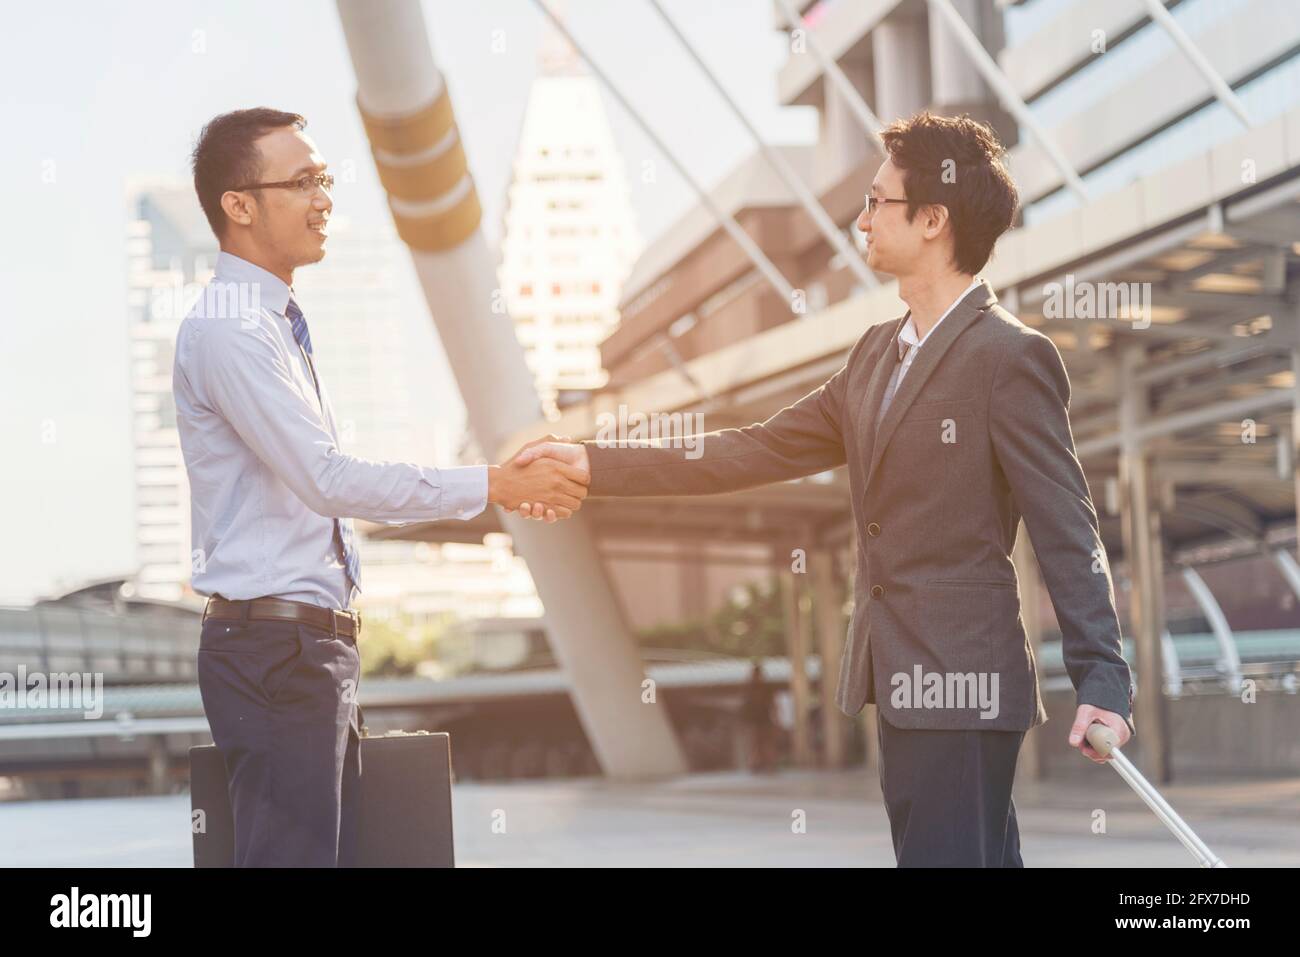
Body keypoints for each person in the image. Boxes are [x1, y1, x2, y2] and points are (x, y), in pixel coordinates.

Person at [515, 111, 1136, 867]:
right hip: (898, 681)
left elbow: (1066, 523)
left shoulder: (1011, 357)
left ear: (934, 219)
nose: (861, 219)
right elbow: (752, 448)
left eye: (879, 202)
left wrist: (1102, 676)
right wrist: (594, 462)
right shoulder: (876, 355)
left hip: (966, 683)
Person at [175, 108, 588, 866]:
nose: (324, 197)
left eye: (324, 178)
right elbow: (328, 478)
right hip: (275, 648)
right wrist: (493, 481)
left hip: (300, 644)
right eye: (301, 181)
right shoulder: (233, 328)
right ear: (238, 204)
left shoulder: (270, 321)